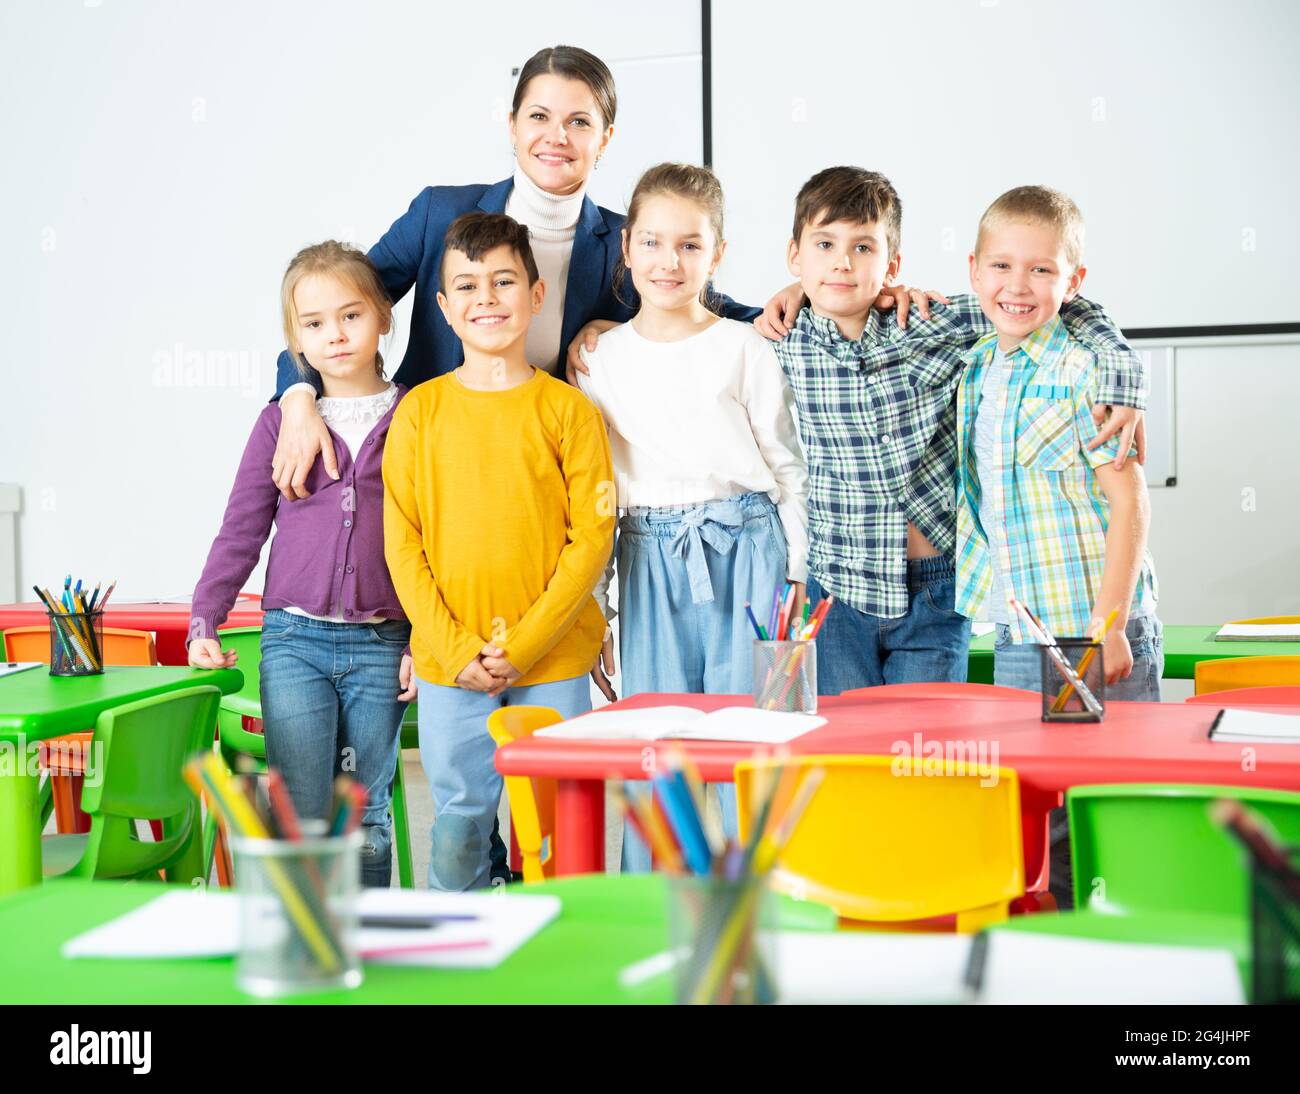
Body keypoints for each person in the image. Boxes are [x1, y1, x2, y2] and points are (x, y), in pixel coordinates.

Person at [769, 166, 1148, 694]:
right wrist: (796, 291)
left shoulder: (935, 321)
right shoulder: (780, 341)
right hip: (838, 589)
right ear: (796, 256)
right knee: (847, 751)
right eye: (825, 245)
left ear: (892, 264)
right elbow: (694, 317)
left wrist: (1123, 381)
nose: (841, 261)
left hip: (937, 589)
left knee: (924, 756)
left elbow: (1066, 308)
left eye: (863, 249)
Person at [574, 163, 808, 872]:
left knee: (753, 740)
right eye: (650, 242)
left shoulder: (745, 347)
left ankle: (764, 901)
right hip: (648, 559)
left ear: (718, 254)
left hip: (750, 549)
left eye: (689, 245)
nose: (667, 262)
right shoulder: (597, 358)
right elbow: (597, 493)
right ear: (626, 249)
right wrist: (597, 607)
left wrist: (796, 579)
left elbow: (788, 467)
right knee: (659, 743)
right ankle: (656, 909)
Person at [382, 212, 615, 891]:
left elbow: (592, 538)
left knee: (553, 823)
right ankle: (460, 960)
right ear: (445, 309)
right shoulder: (418, 414)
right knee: (459, 819)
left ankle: (561, 965)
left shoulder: (571, 411)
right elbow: (402, 543)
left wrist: (527, 644)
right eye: (468, 286)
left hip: (554, 660)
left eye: (504, 281)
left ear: (536, 296)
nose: (486, 298)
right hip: (449, 665)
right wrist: (455, 650)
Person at [957, 185, 1162, 908]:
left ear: (1074, 284)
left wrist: (1107, 625)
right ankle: (1056, 962)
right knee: (1038, 814)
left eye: (1042, 271)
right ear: (974, 269)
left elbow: (1129, 500)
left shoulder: (1088, 372)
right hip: (1021, 630)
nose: (1018, 286)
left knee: (1104, 810)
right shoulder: (978, 366)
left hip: (1086, 627)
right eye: (1002, 267)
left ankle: (1121, 964)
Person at [188, 241, 412, 886]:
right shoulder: (277, 422)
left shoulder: (417, 415)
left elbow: (436, 541)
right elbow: (241, 528)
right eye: (314, 325)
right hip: (293, 641)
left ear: (383, 317)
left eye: (351, 316)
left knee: (365, 811)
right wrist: (206, 617)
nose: (335, 336)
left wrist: (424, 638)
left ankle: (364, 946)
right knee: (300, 811)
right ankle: (301, 944)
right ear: (295, 343)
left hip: (382, 641)